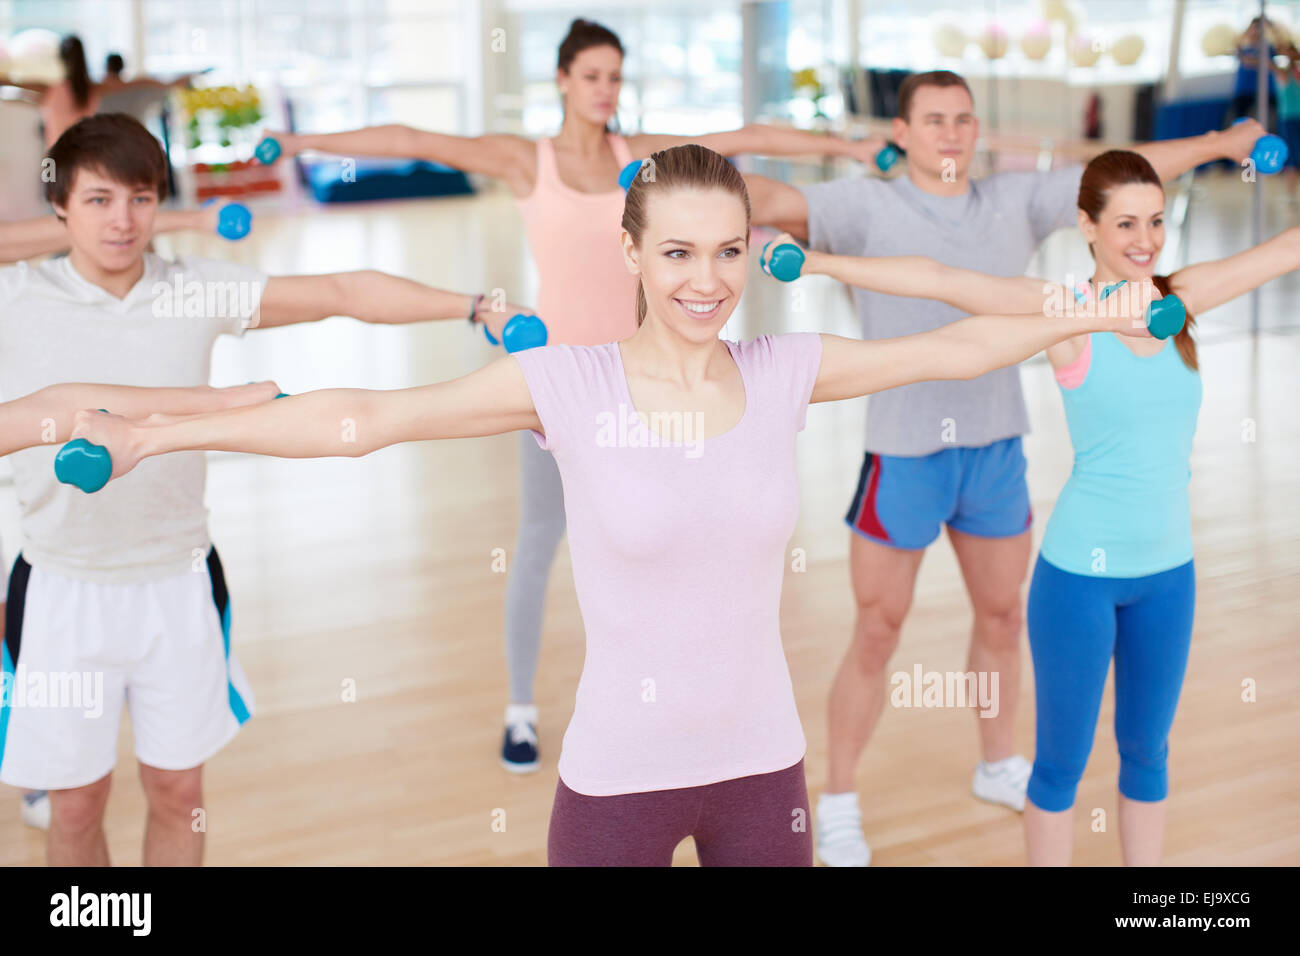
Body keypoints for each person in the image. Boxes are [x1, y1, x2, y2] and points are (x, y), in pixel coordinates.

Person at [65, 144, 1156, 867]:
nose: (705, 280)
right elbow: (364, 418)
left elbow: (956, 345)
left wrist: (1096, 310)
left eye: (726, 252)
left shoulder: (785, 368)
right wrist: (155, 434)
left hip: (763, 767)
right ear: (629, 250)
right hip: (619, 777)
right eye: (676, 252)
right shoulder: (568, 386)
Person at [261, 18, 892, 774]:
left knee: (666, 541)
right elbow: (412, 138)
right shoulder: (526, 160)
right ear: (562, 79)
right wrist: (299, 144)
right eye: (591, 75)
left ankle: (684, 708)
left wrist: (852, 150)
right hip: (562, 390)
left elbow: (749, 134)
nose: (605, 90)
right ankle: (520, 709)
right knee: (537, 543)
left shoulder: (641, 159)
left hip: (646, 389)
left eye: (615, 77)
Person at [742, 69, 1269, 867]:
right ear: (901, 132)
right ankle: (839, 797)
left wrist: (1225, 143)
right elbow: (780, 204)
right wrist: (783, 237)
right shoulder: (863, 205)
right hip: (904, 448)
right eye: (934, 119)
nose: (952, 133)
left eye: (964, 118)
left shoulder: (1014, 202)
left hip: (995, 449)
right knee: (878, 629)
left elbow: (1126, 176)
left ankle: (996, 763)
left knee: (1001, 619)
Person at [0, 113, 528, 866]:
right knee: (75, 806)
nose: (123, 221)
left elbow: (343, 290)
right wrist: (186, 219)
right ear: (58, 205)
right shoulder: (17, 295)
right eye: (98, 200)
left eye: (142, 199)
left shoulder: (194, 288)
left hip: (177, 579)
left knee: (178, 792)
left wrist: (472, 305)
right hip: (61, 589)